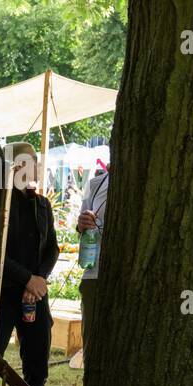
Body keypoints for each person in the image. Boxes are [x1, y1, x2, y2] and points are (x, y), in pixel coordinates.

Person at [0, 142, 63, 386]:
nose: (32, 167)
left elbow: (52, 248)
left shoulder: (42, 205)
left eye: (34, 161)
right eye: (25, 162)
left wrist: (38, 282)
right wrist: (26, 279)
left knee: (36, 364)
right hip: (4, 294)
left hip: (35, 296)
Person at [77, 146, 110, 365]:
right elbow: (81, 224)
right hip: (95, 275)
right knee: (92, 347)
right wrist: (82, 223)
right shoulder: (96, 184)